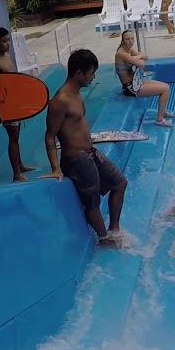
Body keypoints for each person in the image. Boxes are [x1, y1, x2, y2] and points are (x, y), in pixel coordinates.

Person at [43, 50, 129, 244]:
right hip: (76, 159)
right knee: (92, 204)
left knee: (120, 183)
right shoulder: (60, 101)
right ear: (78, 73)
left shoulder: (77, 94)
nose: (94, 77)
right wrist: (55, 168)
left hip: (91, 153)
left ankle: (114, 230)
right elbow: (49, 136)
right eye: (91, 73)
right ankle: (105, 240)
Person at [0, 28, 35, 182]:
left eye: (8, 40)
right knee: (13, 137)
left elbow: (12, 82)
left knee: (16, 135)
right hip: (6, 106)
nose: (8, 43)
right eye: (4, 41)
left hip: (14, 104)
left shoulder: (7, 57)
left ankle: (20, 165)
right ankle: (16, 174)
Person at [115, 30, 175, 127]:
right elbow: (142, 64)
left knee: (166, 86)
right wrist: (139, 58)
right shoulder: (121, 54)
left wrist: (138, 56)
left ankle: (162, 112)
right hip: (131, 88)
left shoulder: (129, 50)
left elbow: (146, 57)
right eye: (127, 39)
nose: (130, 41)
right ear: (122, 41)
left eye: (132, 38)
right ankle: (159, 119)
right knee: (164, 90)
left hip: (136, 82)